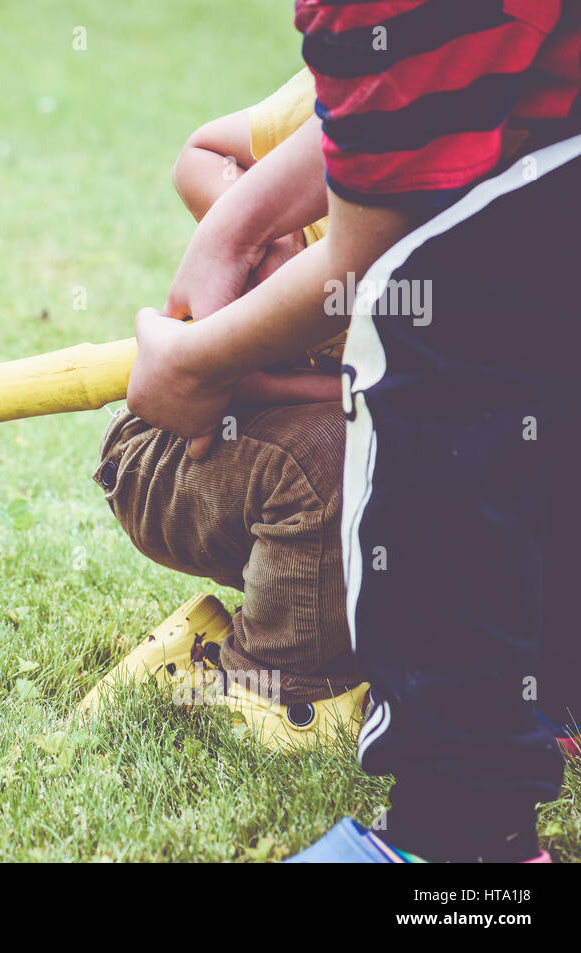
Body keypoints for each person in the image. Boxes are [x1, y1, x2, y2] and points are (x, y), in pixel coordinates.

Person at [129, 1, 581, 862]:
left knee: (441, 325)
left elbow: (387, 250)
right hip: (205, 444)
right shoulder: (384, 70)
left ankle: (461, 844)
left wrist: (199, 363)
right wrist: (241, 224)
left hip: (280, 399)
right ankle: (538, 697)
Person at [83, 69, 362, 752]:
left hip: (373, 426)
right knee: (336, 454)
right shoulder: (373, 85)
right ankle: (270, 682)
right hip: (183, 439)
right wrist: (260, 225)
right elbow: (201, 152)